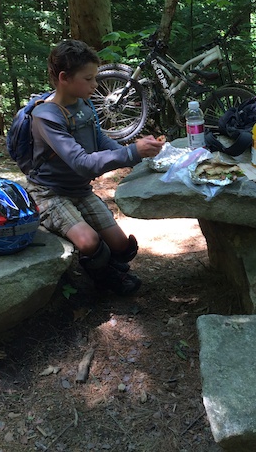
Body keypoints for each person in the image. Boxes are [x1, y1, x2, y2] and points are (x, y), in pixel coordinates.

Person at [26, 39, 163, 295]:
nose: (95, 85)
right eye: (88, 79)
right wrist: (132, 152)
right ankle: (103, 279)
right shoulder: (47, 116)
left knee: (123, 247)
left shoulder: (84, 103)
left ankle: (107, 263)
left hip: (79, 190)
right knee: (89, 242)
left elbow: (99, 139)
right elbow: (82, 164)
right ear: (64, 78)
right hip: (49, 193)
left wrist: (137, 155)